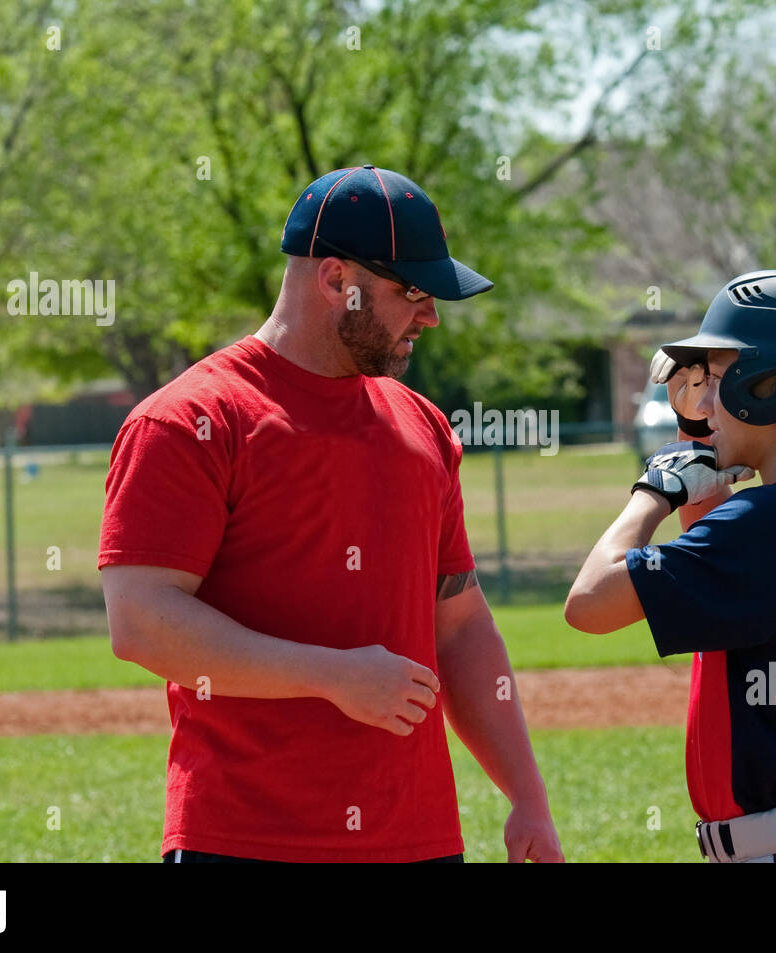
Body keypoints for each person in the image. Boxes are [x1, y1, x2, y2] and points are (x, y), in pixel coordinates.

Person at [99, 165, 563, 863]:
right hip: (244, 841)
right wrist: (331, 674)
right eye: (412, 291)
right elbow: (140, 621)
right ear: (336, 280)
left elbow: (461, 625)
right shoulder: (190, 420)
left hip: (419, 841)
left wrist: (527, 794)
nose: (431, 314)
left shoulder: (424, 426)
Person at [565, 270, 776, 863]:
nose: (705, 401)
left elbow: (589, 604)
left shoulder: (767, 521)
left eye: (719, 378)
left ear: (774, 383)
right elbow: (720, 585)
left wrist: (653, 492)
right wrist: (704, 464)